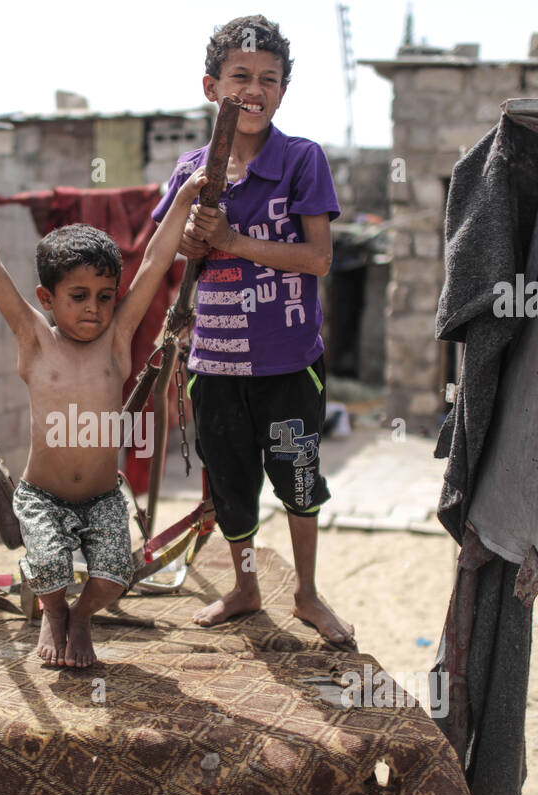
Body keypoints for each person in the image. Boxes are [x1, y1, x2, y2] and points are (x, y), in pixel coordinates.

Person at [0, 160, 208, 667]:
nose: (94, 309)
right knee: (50, 567)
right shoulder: (34, 340)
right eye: (78, 297)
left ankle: (82, 616)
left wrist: (184, 197)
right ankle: (55, 614)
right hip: (42, 496)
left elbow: (154, 263)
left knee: (118, 574)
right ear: (46, 299)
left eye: (103, 296)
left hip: (103, 495)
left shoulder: (118, 341)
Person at [151, 13, 355, 644]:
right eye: (241, 76)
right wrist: (190, 240)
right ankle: (244, 587)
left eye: (270, 79)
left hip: (288, 360)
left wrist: (234, 239)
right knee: (231, 480)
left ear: (283, 91)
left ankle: (307, 593)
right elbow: (166, 259)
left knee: (298, 477)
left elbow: (319, 259)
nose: (255, 90)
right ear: (211, 87)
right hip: (214, 362)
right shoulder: (193, 173)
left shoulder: (300, 161)